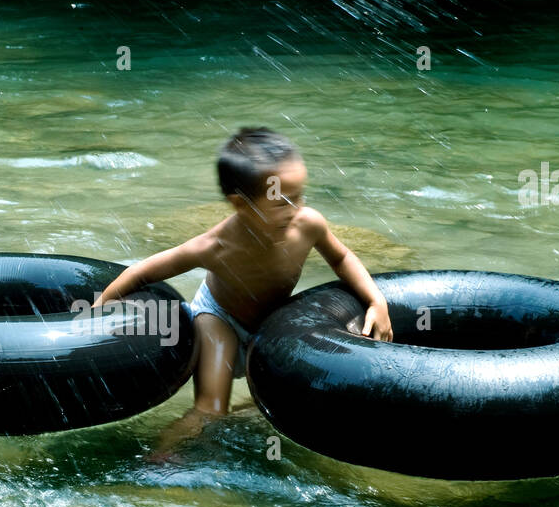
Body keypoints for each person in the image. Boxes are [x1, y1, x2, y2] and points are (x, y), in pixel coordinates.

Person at [93, 127, 393, 458]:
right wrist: (102, 307)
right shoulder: (216, 247)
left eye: (300, 195)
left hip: (275, 323)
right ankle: (158, 460)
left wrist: (375, 300)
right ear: (241, 204)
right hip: (220, 318)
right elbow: (144, 271)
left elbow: (341, 258)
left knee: (279, 404)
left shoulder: (307, 225)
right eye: (281, 200)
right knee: (211, 409)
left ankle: (243, 423)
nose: (295, 209)